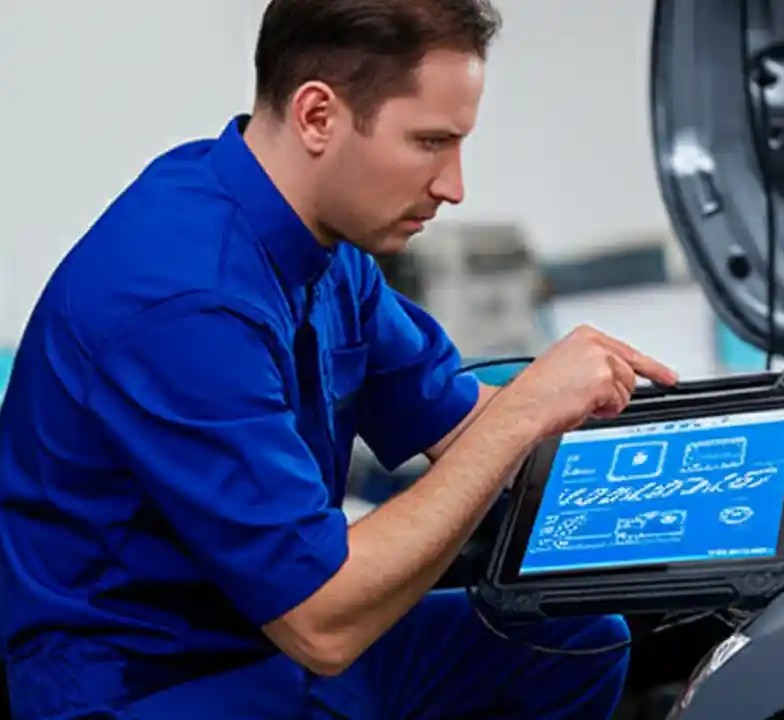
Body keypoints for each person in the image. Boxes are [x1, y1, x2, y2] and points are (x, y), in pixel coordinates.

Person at [0, 0, 679, 717]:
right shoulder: (183, 298)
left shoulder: (325, 246)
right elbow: (322, 622)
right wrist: (526, 411)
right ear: (318, 116)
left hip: (265, 649)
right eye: (429, 142)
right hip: (154, 686)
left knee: (571, 644)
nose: (454, 185)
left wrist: (704, 482)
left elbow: (459, 424)